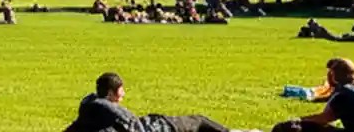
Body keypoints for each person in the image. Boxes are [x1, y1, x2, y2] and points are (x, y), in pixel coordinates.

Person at [62, 72, 231, 132]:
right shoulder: (107, 108)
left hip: (155, 123)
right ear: (111, 93)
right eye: (121, 91)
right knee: (199, 121)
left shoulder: (90, 109)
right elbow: (132, 124)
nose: (123, 95)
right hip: (162, 127)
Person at [280, 58, 354, 132]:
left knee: (303, 127)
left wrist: (298, 120)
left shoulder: (345, 94)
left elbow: (323, 119)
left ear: (333, 75)